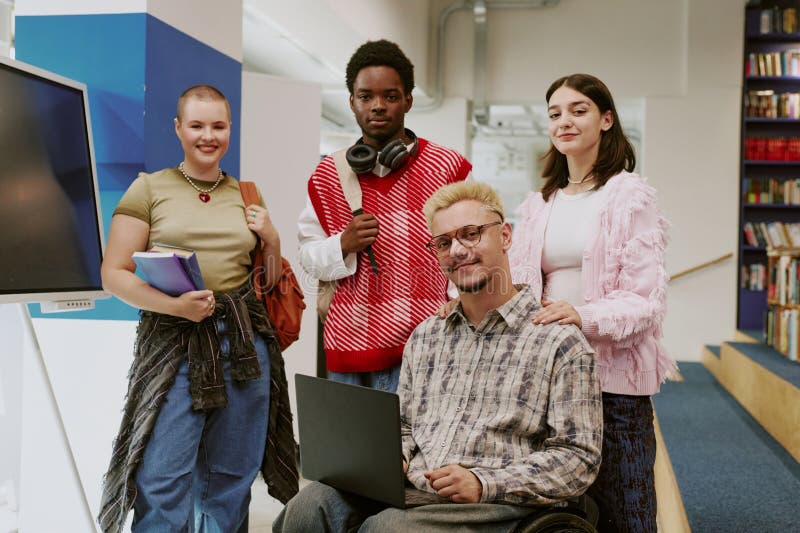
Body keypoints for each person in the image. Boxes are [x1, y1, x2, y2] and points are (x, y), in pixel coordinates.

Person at [275, 181, 602, 532]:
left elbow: (577, 458)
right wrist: (389, 460)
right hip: (414, 490)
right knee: (308, 507)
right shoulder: (427, 336)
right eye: (444, 242)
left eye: (472, 234)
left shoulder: (559, 342)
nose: (458, 250)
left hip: (497, 503)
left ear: (505, 236)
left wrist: (483, 483)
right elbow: (404, 426)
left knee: (388, 530)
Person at [97, 85, 298, 532]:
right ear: (178, 129)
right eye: (197, 125)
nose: (209, 136)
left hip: (245, 349)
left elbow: (266, 282)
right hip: (175, 346)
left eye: (219, 126)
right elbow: (114, 273)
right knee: (162, 478)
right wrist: (176, 307)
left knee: (231, 479)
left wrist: (273, 239)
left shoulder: (246, 193)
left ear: (230, 129)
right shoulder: (149, 188)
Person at [508, 73, 675, 533]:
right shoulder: (539, 203)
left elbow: (645, 301)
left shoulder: (628, 195)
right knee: (565, 512)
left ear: (605, 120)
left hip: (613, 380)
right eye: (555, 113)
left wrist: (582, 315)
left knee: (626, 506)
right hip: (553, 377)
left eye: (578, 110)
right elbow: (519, 285)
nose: (564, 121)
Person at [298, 39, 472, 392]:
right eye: (366, 97)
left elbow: (472, 249)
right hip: (350, 346)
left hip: (427, 344)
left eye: (390, 96)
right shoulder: (328, 174)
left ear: (408, 99)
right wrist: (342, 244)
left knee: (418, 448)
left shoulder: (446, 167)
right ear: (352, 102)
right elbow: (308, 257)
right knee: (354, 448)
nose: (378, 106)